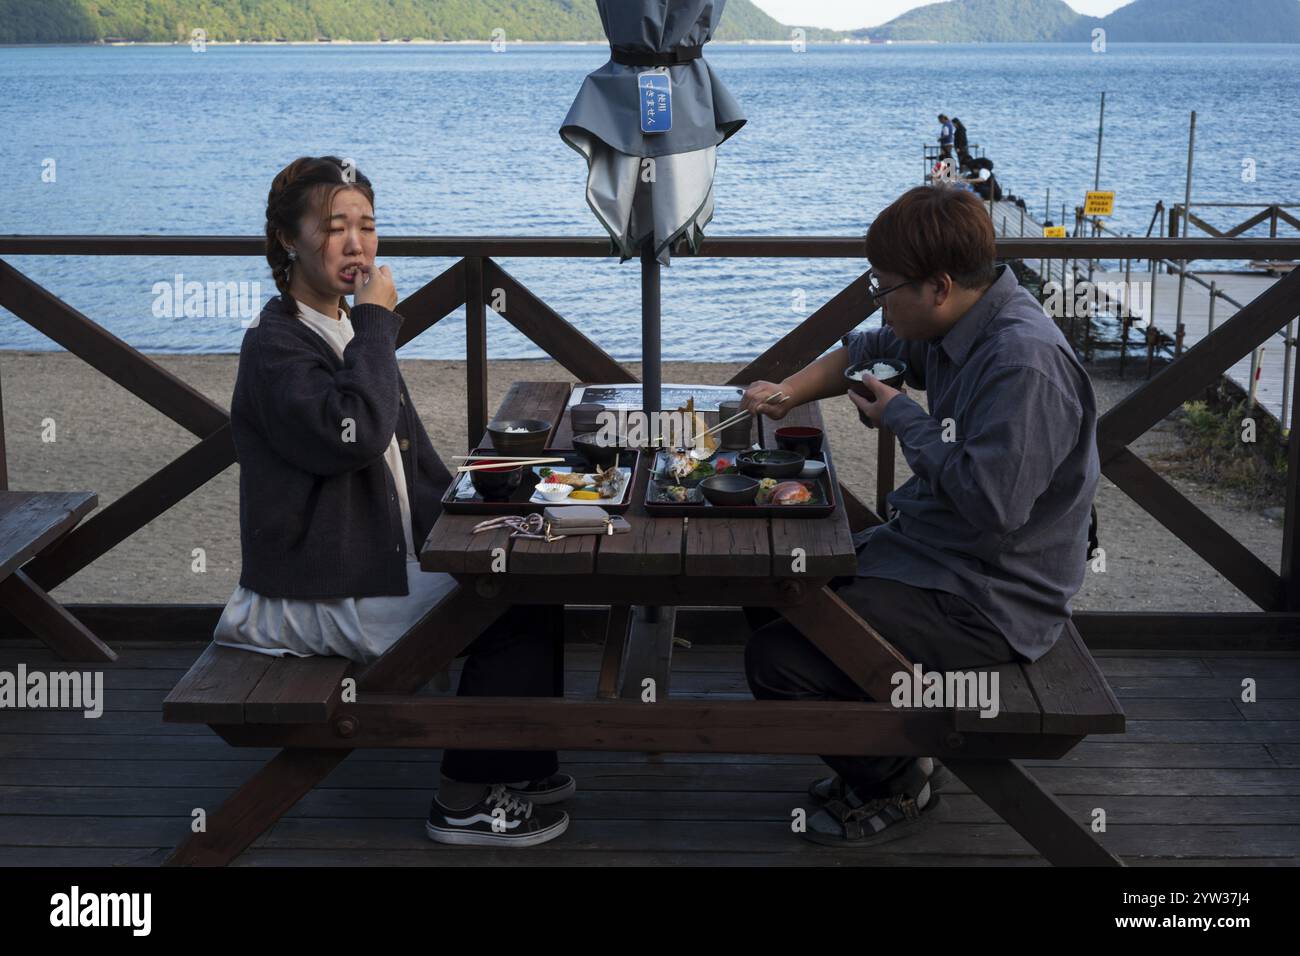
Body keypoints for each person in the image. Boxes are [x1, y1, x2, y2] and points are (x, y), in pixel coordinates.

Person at [214, 156, 572, 848]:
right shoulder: (277, 348)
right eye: (335, 227)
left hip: (374, 563)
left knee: (533, 571)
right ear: (289, 241)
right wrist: (378, 324)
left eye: (367, 227)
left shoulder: (345, 327)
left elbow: (409, 461)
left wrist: (480, 509)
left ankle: (521, 763)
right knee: (503, 605)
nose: (357, 244)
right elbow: (356, 436)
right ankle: (465, 799)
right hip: (313, 591)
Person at [741, 185, 1099, 846]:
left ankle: (899, 780)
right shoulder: (957, 322)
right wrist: (786, 391)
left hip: (991, 598)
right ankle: (879, 744)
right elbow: (863, 349)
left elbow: (994, 508)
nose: (878, 299)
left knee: (779, 656)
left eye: (884, 286)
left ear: (936, 285)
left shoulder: (1023, 362)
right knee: (769, 591)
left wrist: (904, 417)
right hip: (932, 555)